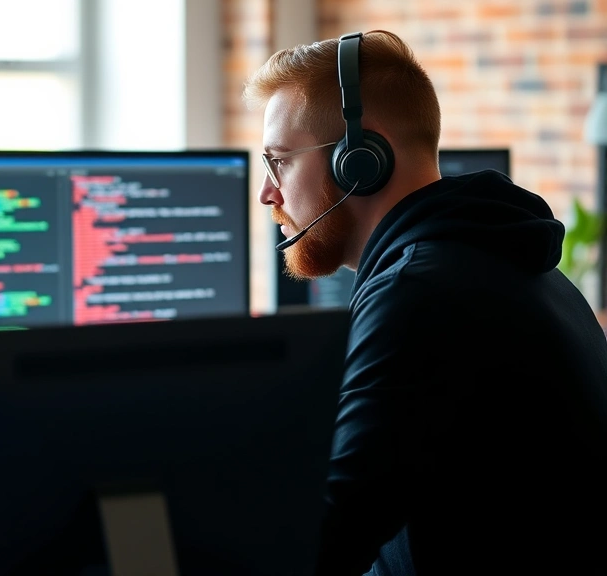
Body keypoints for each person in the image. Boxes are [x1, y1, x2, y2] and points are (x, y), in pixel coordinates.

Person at [244, 30, 607, 575]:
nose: (266, 193)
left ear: (360, 161)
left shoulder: (417, 293)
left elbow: (321, 543)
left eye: (279, 162)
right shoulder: (515, 263)